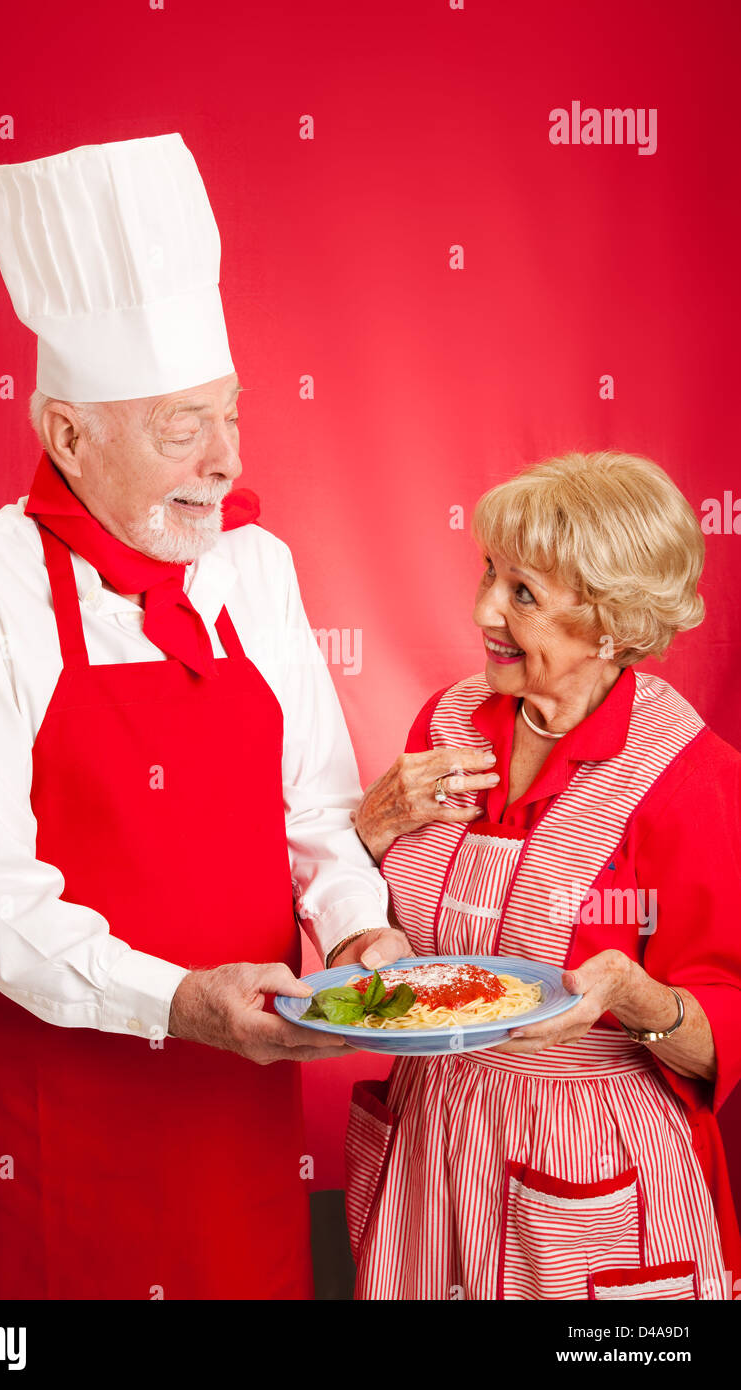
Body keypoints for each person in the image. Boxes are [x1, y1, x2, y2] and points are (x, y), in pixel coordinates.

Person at [0, 133, 401, 1301]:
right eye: (181, 428)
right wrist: (174, 1001)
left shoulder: (255, 568)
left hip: (232, 1132)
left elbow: (314, 806)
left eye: (231, 417)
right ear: (67, 434)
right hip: (48, 1147)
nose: (224, 464)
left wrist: (361, 932)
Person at [348, 450, 741, 1301]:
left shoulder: (688, 775)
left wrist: (636, 997)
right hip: (429, 1142)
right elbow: (373, 902)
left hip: (587, 1172)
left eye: (522, 593)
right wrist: (368, 833)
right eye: (490, 571)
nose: (484, 607)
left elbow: (727, 1027)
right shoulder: (448, 720)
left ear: (615, 624)